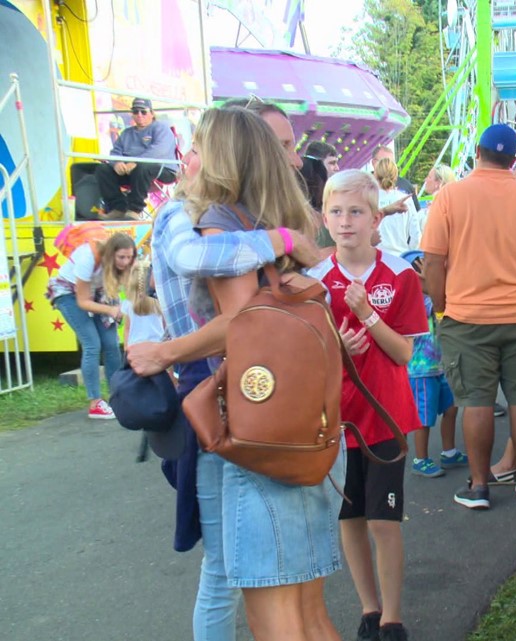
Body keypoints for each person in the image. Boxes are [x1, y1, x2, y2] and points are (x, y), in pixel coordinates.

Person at [127, 107, 343, 641]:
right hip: (311, 426)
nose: (189, 157)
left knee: (273, 614)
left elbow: (243, 322)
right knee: (310, 612)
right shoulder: (281, 222)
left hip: (258, 431)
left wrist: (165, 352)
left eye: (198, 146)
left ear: (220, 155)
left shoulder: (221, 224)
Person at [420, 124, 516, 510]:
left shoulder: (450, 195)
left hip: (467, 316)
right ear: (513, 160)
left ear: (478, 153)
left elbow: (432, 260)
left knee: (476, 401)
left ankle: (479, 485)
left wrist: (441, 306)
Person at [307, 169, 426, 641]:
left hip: (385, 418)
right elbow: (308, 354)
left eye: (356, 212)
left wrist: (367, 315)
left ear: (376, 219)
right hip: (337, 420)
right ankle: (369, 609)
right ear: (324, 218)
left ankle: (393, 617)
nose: (345, 221)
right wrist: (338, 347)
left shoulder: (399, 274)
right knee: (351, 519)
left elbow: (404, 353)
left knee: (384, 520)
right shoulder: (315, 281)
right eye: (336, 212)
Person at [48, 232, 136, 419]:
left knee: (111, 344)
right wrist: (111, 310)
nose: (126, 262)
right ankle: (95, 403)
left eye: (129, 257)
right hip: (69, 294)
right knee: (92, 344)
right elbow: (83, 302)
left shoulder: (126, 264)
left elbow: (130, 289)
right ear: (110, 254)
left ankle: (117, 396)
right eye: (121, 257)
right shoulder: (88, 258)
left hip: (99, 291)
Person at [400, 251, 467, 478]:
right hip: (421, 370)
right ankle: (420, 459)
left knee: (451, 408)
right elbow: (437, 307)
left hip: (443, 365)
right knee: (424, 417)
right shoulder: (414, 302)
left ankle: (449, 452)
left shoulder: (434, 296)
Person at [95, 98, 178, 219]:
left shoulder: (161, 128)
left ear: (152, 113)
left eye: (143, 111)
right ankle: (118, 208)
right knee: (102, 169)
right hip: (131, 171)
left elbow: (159, 150)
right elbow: (115, 151)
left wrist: (136, 162)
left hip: (162, 169)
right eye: (135, 111)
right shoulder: (126, 133)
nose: (139, 115)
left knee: (143, 167)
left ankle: (134, 210)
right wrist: (117, 163)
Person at [374, 156, 422, 257]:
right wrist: (409, 254)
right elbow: (416, 235)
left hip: (375, 258)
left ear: (375, 174)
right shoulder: (406, 199)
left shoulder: (369, 200)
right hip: (400, 256)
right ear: (395, 176)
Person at [121, 262, 164, 349]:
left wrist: (126, 348)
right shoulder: (159, 303)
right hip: (157, 346)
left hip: (135, 348)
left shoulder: (128, 304)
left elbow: (127, 329)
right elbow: (165, 326)